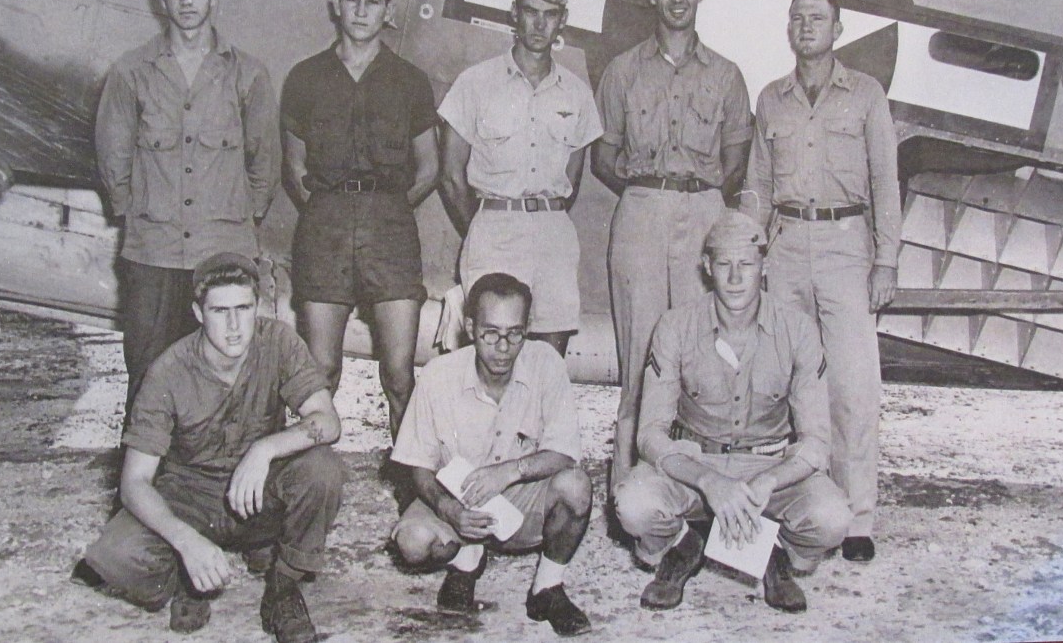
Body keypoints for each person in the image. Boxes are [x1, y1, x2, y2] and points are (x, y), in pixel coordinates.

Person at [72, 253, 345, 642]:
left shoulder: (280, 342)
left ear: (258, 306)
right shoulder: (168, 370)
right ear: (198, 313)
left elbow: (327, 420)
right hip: (191, 499)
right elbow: (134, 482)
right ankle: (189, 577)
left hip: (256, 492)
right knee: (116, 555)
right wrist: (186, 542)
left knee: (322, 469)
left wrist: (264, 449)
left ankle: (283, 587)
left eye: (243, 309)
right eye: (220, 311)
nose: (234, 327)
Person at [615, 211, 851, 613]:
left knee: (832, 518)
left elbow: (816, 443)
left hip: (767, 466)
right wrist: (708, 480)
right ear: (707, 266)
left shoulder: (798, 329)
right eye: (724, 264)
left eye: (747, 264)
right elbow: (650, 435)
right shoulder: (675, 326)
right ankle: (680, 545)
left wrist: (768, 482)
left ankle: (775, 553)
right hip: (697, 461)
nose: (736, 278)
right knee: (635, 505)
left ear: (765, 266)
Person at [742, 0, 901, 563]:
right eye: (797, 18)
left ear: (839, 29)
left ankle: (857, 517)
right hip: (784, 247)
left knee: (852, 387)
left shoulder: (864, 95)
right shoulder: (771, 99)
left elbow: (886, 180)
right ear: (788, 30)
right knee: (784, 379)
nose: (806, 26)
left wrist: (886, 260)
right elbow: (757, 185)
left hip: (844, 246)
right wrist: (749, 253)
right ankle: (792, 501)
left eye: (818, 18)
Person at [95, 0, 280, 418]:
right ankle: (138, 490)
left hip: (222, 255)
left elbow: (266, 165)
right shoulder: (131, 72)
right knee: (149, 373)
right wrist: (139, 215)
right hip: (152, 255)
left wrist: (237, 222)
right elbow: (113, 159)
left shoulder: (248, 75)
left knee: (225, 375)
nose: (186, 1)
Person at [592, 0, 753, 485]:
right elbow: (603, 157)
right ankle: (627, 488)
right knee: (639, 354)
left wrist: (696, 195)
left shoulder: (728, 75)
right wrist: (648, 191)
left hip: (705, 211)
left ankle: (695, 489)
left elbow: (735, 159)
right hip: (641, 210)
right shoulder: (622, 72)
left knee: (701, 354)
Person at [280, 0, 438, 439]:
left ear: (387, 9)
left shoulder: (409, 81)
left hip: (390, 233)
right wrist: (331, 209)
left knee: (398, 374)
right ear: (337, 4)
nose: (363, 11)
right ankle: (309, 479)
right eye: (353, 0)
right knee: (320, 371)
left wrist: (385, 208)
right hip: (324, 231)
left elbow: (429, 167)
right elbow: (294, 165)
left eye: (374, 2)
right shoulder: (305, 78)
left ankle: (414, 483)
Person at [389, 272, 594, 637]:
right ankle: (467, 561)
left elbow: (565, 452)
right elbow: (417, 467)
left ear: (528, 328)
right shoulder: (438, 375)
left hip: (518, 498)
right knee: (413, 542)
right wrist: (449, 510)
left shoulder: (546, 363)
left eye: (515, 333)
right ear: (469, 327)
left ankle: (546, 587)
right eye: (490, 333)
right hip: (457, 501)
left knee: (576, 488)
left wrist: (510, 471)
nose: (503, 346)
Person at [439, 0, 602, 358]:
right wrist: (486, 222)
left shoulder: (577, 95)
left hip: (552, 236)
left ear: (563, 20)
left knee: (546, 363)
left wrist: (537, 220)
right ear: (514, 13)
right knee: (487, 361)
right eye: (530, 11)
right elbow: (450, 176)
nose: (539, 23)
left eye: (550, 14)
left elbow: (572, 183)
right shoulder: (475, 83)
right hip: (493, 228)